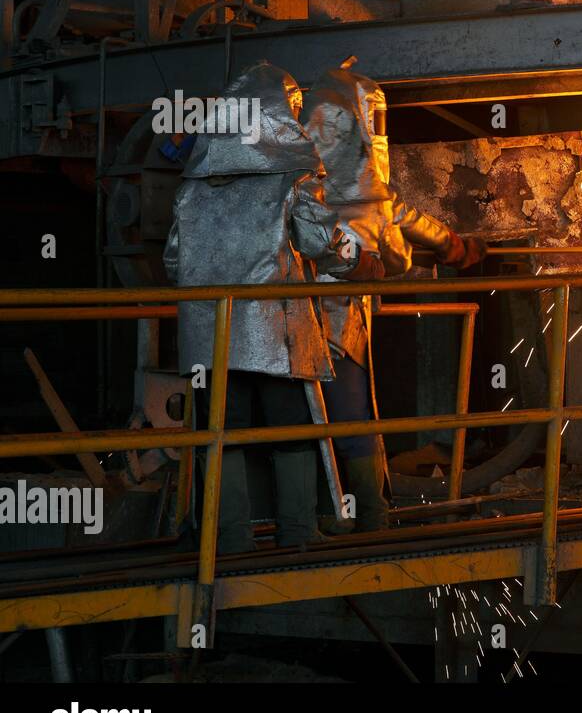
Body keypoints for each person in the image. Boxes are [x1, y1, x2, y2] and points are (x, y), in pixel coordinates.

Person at [164, 61, 382, 553]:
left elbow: (174, 261)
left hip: (209, 341)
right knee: (292, 432)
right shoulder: (291, 182)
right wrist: (363, 265)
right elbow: (322, 242)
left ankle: (232, 541)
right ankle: (298, 535)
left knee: (224, 435)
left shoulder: (192, 190)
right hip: (276, 337)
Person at [303, 59, 485, 532]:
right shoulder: (371, 202)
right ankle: (372, 519)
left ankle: (315, 520)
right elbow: (399, 253)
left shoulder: (303, 191)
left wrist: (441, 245)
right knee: (353, 419)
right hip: (341, 327)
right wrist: (452, 248)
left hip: (288, 326)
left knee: (305, 422)